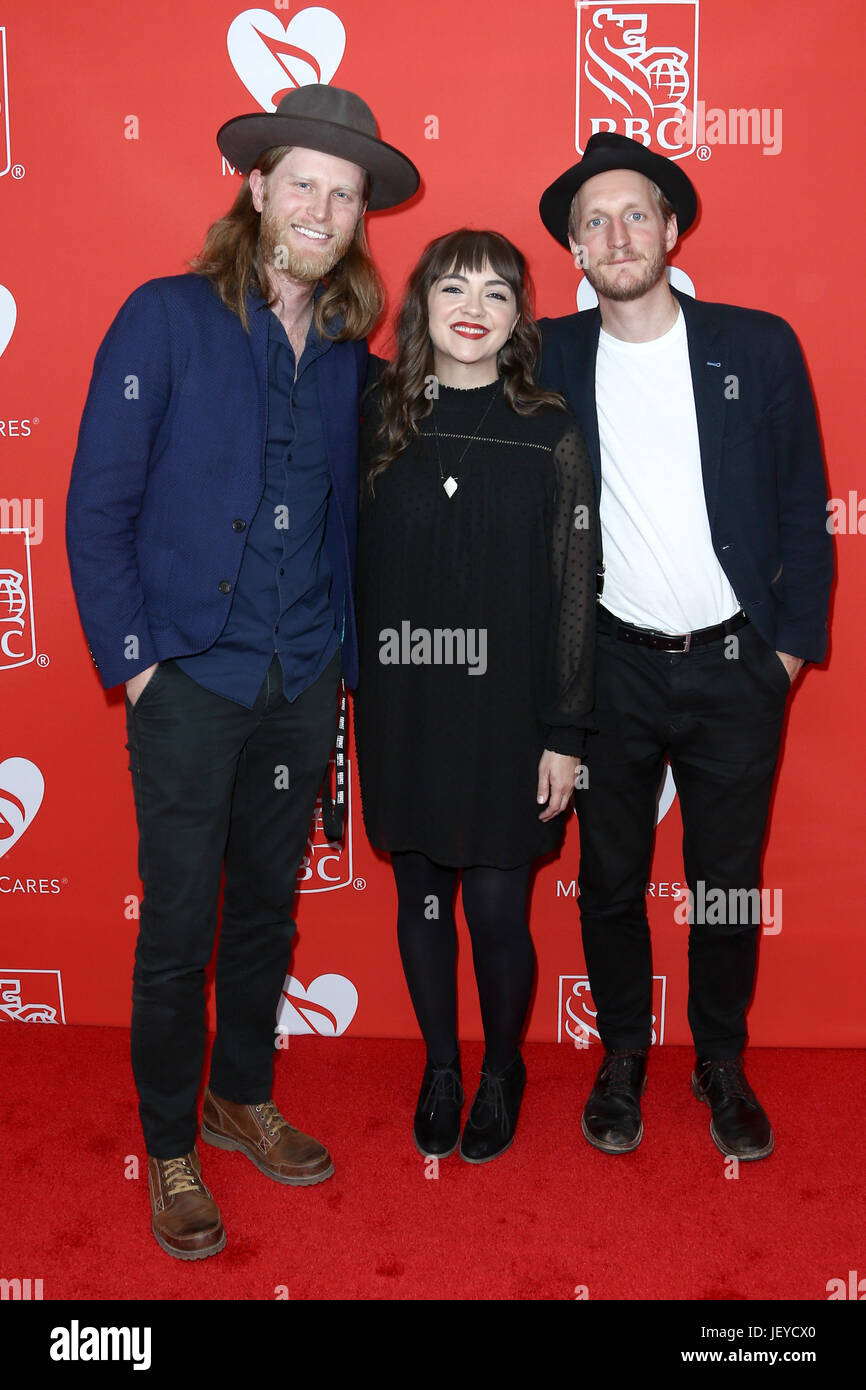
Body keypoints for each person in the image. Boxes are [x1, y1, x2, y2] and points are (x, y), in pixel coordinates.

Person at [65, 85, 419, 1259]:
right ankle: (169, 1144)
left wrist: (343, 667)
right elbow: (97, 505)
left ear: (358, 217)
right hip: (190, 682)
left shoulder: (345, 355)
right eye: (302, 181)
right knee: (177, 926)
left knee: (266, 911)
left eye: (345, 192)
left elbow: (339, 521)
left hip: (300, 678)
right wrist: (139, 666)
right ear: (258, 189)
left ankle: (237, 1094)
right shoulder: (162, 318)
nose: (321, 205)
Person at [537, 133, 832, 1160]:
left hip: (733, 667)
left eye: (633, 214)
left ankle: (718, 1059)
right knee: (609, 879)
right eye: (591, 221)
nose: (614, 234)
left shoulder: (756, 345)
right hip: (605, 666)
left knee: (725, 880)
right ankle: (621, 1056)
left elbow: (804, 508)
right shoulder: (548, 355)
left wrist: (782, 656)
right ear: (572, 249)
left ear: (669, 229)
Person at [355, 229, 596, 1163]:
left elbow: (578, 586)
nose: (473, 306)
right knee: (421, 902)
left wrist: (565, 732)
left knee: (497, 912)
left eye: (498, 293)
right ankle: (441, 1067)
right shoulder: (377, 413)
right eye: (454, 286)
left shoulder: (550, 429)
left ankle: (502, 1069)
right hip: (406, 707)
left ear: (518, 319)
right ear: (419, 302)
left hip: (510, 717)